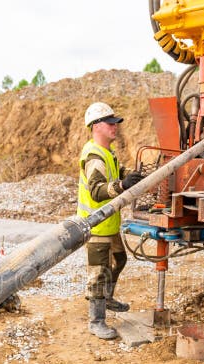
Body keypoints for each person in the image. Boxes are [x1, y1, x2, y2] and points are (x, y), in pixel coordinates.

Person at [77, 102, 144, 339]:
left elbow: (113, 174)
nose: (115, 127)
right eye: (110, 123)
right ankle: (96, 321)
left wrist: (128, 176)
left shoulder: (107, 153)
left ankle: (107, 298)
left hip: (109, 224)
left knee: (119, 259)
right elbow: (97, 191)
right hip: (96, 226)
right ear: (96, 126)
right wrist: (122, 186)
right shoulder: (94, 155)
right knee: (98, 272)